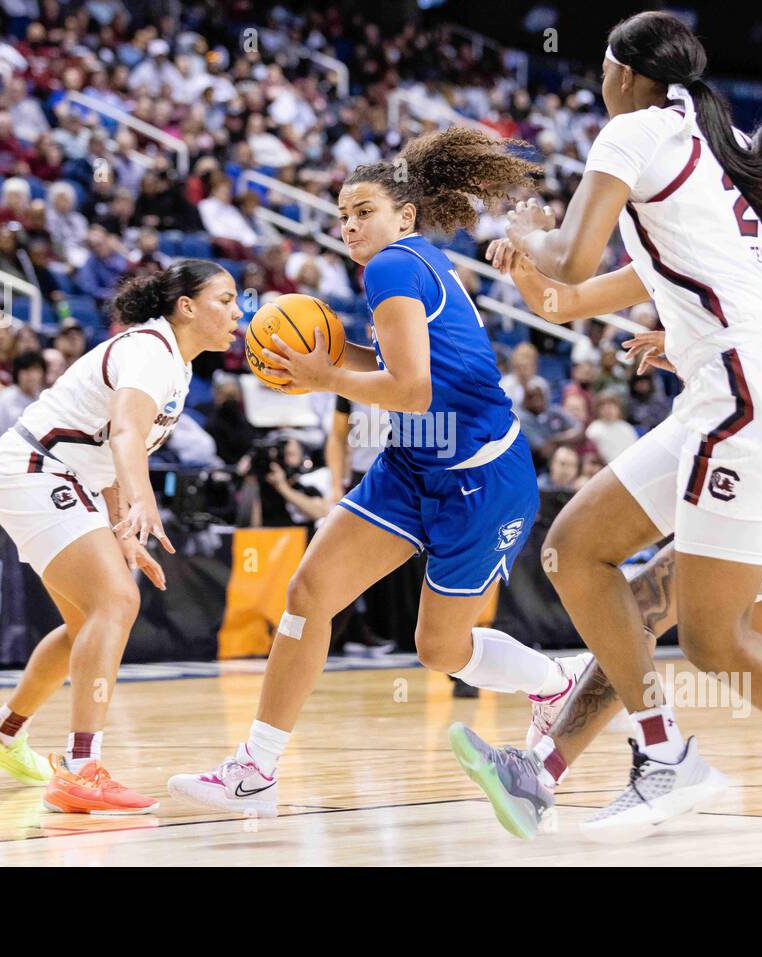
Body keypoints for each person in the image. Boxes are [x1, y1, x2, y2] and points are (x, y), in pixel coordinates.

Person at [451, 12, 762, 866]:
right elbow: (567, 298)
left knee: (716, 640)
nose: (598, 76)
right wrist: (529, 266)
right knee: (576, 550)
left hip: (750, 399)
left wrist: (535, 231)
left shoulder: (635, 132)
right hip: (729, 397)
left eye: (603, 62)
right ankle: (663, 752)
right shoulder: (712, 153)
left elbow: (572, 258)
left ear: (624, 72)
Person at [168, 128, 590, 818]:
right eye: (342, 214)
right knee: (309, 592)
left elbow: (414, 388)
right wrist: (330, 354)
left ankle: (555, 682)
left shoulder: (393, 265)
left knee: (438, 646)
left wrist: (324, 373)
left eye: (363, 210)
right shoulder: (412, 262)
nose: (350, 224)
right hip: (416, 459)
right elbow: (399, 372)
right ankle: (256, 769)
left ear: (405, 216)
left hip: (479, 474)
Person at [0, 259, 240, 816]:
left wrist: (122, 531)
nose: (238, 311)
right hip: (36, 469)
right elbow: (125, 433)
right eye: (226, 299)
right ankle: (81, 768)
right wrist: (143, 503)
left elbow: (108, 460)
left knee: (88, 622)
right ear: (186, 307)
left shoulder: (176, 366)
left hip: (64, 477)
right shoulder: (148, 351)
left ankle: (2, 734)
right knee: (117, 601)